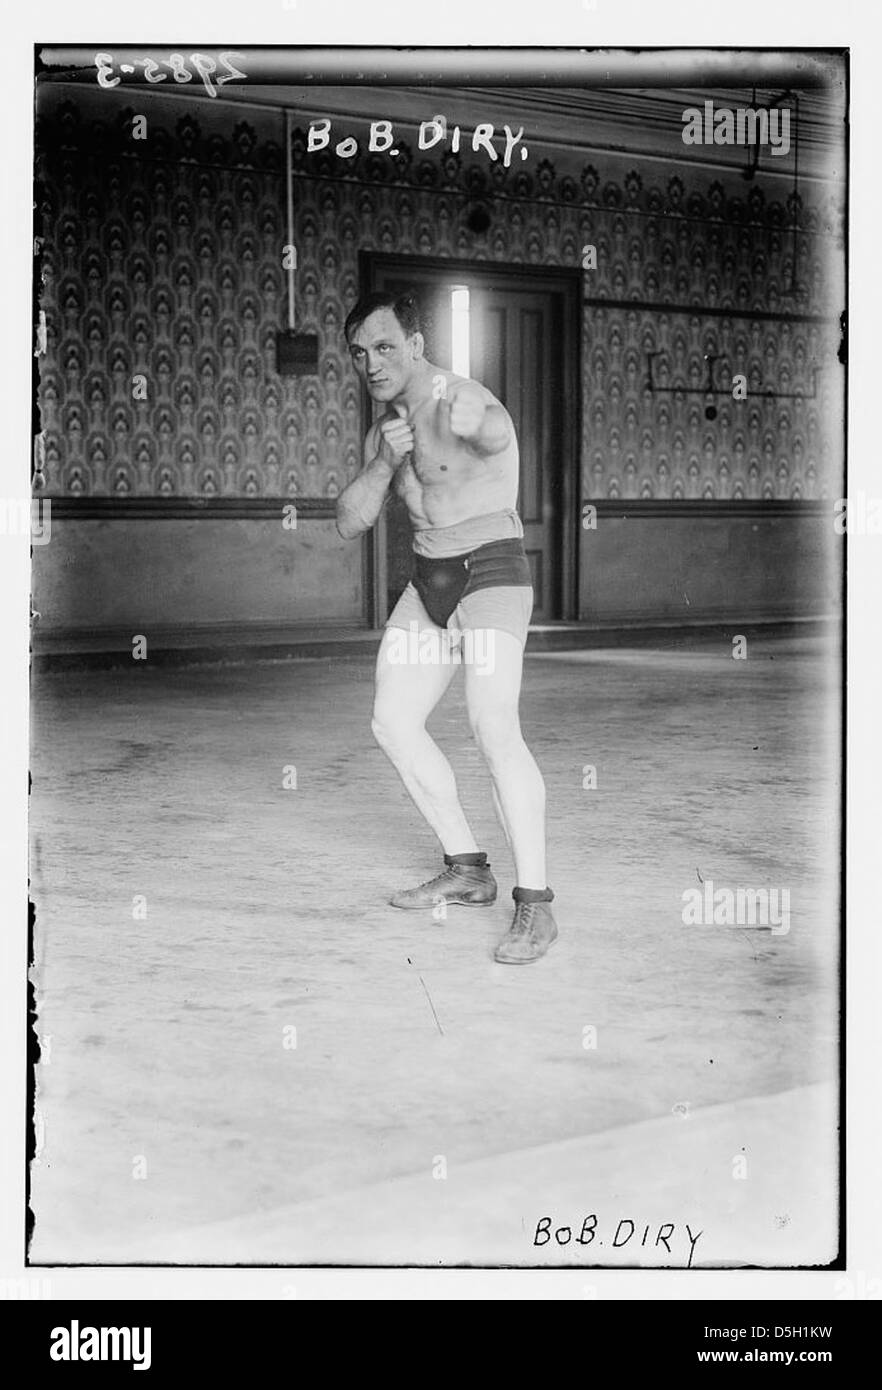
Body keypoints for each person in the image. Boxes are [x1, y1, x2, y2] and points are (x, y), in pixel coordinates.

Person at [336, 290, 557, 964]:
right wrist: (382, 462)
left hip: (490, 569)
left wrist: (477, 418)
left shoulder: (468, 400)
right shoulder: (385, 432)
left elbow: (492, 432)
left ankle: (536, 906)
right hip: (428, 581)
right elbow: (349, 521)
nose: (372, 363)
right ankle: (467, 866)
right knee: (391, 720)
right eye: (359, 354)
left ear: (417, 346)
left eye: (384, 347)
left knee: (494, 727)